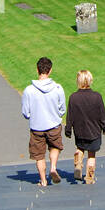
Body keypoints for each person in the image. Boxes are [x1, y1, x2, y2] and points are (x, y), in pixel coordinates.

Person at [21, 57, 66, 188]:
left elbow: (26, 112)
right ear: (50, 70)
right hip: (53, 124)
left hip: (36, 127)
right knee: (55, 147)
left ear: (37, 70)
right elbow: (62, 108)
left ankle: (43, 180)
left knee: (39, 155)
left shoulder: (29, 90)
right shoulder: (57, 88)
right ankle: (53, 167)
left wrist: (32, 116)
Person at [65, 70, 105, 185]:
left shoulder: (73, 97)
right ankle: (89, 177)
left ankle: (78, 162)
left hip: (80, 131)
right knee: (91, 155)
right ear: (90, 80)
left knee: (80, 148)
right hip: (94, 132)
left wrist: (68, 129)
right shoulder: (97, 97)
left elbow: (70, 116)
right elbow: (102, 115)